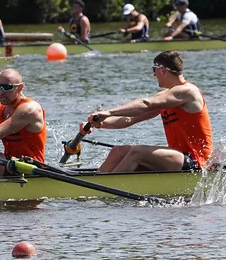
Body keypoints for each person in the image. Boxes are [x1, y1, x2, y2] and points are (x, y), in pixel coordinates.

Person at [85, 51, 213, 173]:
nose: (154, 75)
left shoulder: (188, 91)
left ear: (162, 69)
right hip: (176, 156)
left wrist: (108, 112)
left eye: (154, 70)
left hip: (197, 161)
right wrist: (97, 123)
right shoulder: (165, 97)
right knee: (118, 151)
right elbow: (129, 119)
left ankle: (105, 189)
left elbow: (146, 104)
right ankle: (94, 184)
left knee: (138, 151)